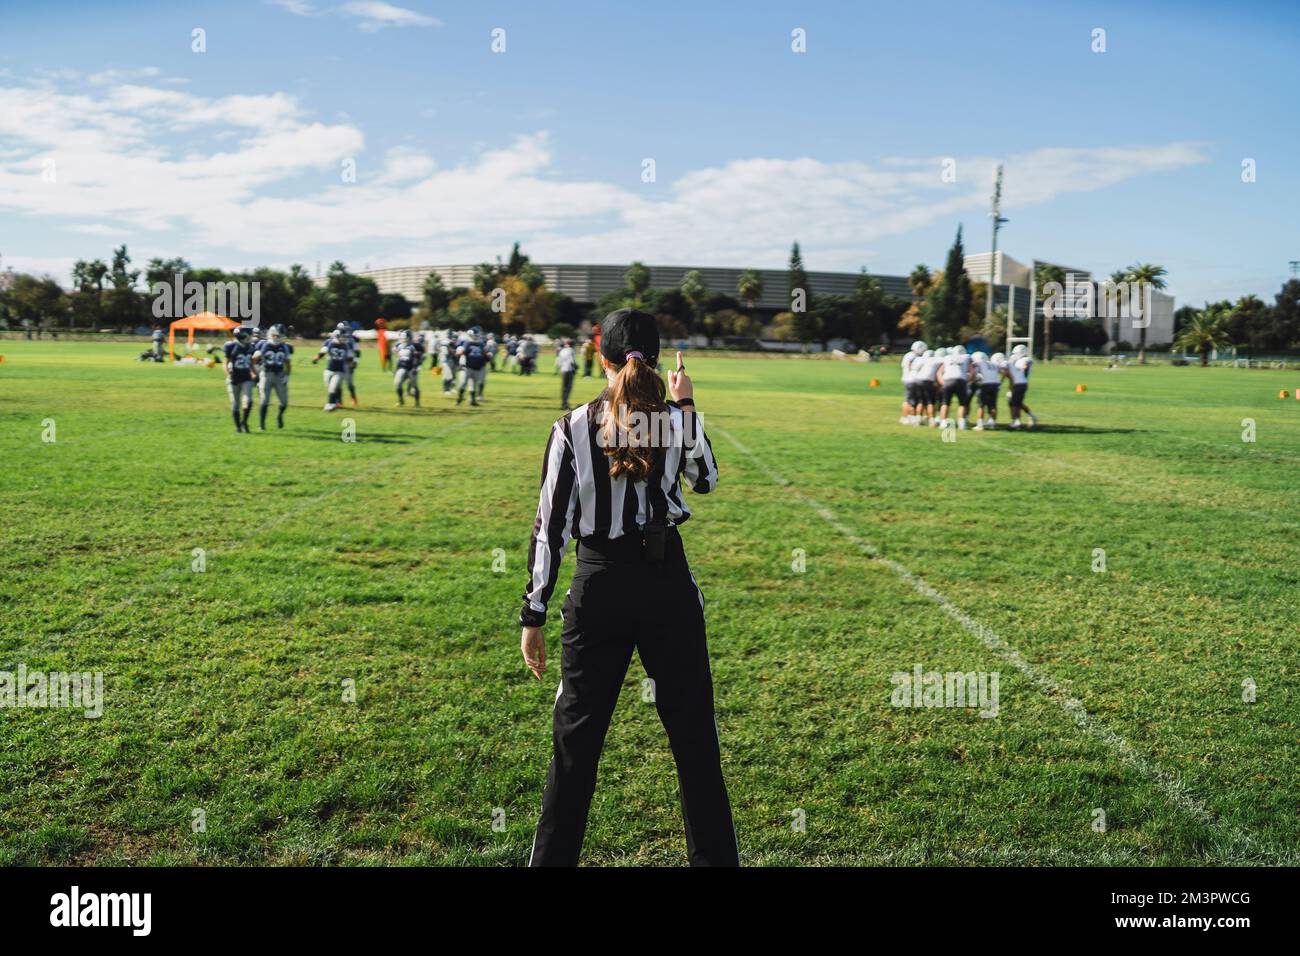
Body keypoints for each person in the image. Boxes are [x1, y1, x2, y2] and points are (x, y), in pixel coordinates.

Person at [519, 308, 738, 867]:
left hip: (599, 586)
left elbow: (552, 526)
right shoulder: (671, 420)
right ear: (661, 361)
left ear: (601, 357)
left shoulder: (571, 426)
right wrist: (685, 404)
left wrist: (534, 611)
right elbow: (706, 480)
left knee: (576, 743)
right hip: (666, 584)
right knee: (694, 739)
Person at [253, 323, 293, 430]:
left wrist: (287, 375)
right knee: (264, 400)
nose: (277, 337)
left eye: (279, 335)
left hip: (280, 375)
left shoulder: (284, 346)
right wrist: (257, 372)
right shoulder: (262, 344)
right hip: (266, 374)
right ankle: (261, 425)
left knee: (284, 403)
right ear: (271, 334)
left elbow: (288, 363)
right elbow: (254, 360)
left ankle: (279, 415)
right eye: (276, 335)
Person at [223, 327, 257, 432]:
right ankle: (238, 427)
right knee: (235, 404)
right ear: (242, 336)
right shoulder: (231, 346)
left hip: (246, 377)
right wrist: (228, 374)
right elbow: (225, 363)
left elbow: (250, 363)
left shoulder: (250, 347)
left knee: (249, 400)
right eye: (249, 334)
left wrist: (254, 373)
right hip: (234, 377)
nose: (251, 337)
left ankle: (244, 422)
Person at [311, 329, 353, 411]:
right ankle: (334, 403)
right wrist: (316, 359)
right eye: (342, 336)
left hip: (339, 371)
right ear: (337, 336)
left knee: (332, 388)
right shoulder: (330, 343)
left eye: (345, 336)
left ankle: (329, 404)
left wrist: (351, 365)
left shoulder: (346, 346)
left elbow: (350, 359)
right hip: (329, 370)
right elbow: (321, 354)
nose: (344, 338)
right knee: (329, 388)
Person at [936, 345, 974, 430]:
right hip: (960, 380)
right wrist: (967, 380)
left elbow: (939, 372)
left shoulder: (947, 357)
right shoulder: (966, 357)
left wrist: (943, 382)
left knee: (945, 403)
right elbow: (972, 371)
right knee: (962, 403)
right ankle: (962, 424)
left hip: (947, 381)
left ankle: (943, 423)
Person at [455, 328, 489, 406]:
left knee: (473, 385)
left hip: (477, 367)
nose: (476, 337)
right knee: (463, 383)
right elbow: (461, 354)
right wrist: (459, 364)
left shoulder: (481, 344)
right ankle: (459, 400)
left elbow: (485, 356)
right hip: (467, 367)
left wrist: (487, 357)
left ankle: (472, 401)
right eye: (475, 335)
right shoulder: (466, 343)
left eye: (477, 335)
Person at [1006, 344, 1037, 429]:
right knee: (1016, 403)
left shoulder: (1025, 359)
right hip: (1017, 383)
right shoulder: (1017, 361)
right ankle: (1028, 417)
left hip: (1021, 384)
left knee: (1015, 403)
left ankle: (1017, 422)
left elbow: (1026, 366)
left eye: (1016, 353)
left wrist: (1023, 369)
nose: (1014, 355)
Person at [972, 351, 1002, 430]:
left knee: (981, 405)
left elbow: (972, 368)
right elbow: (1000, 371)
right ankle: (992, 423)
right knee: (993, 405)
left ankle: (980, 424)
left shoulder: (978, 362)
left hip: (985, 384)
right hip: (995, 384)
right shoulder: (993, 363)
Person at [392, 330, 423, 407]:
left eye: (405, 338)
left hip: (411, 368)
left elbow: (417, 358)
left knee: (414, 386)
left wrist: (415, 367)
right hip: (402, 367)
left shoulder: (414, 346)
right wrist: (396, 368)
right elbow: (398, 356)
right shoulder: (398, 345)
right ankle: (401, 400)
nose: (404, 339)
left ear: (409, 338)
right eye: (403, 337)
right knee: (397, 383)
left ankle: (417, 403)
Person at [899, 339, 925, 425]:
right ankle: (908, 418)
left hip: (906, 379)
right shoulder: (913, 356)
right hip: (912, 380)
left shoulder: (908, 355)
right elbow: (911, 366)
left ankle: (907, 417)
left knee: (909, 399)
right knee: (912, 400)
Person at [555, 337, 577, 410]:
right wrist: (576, 367)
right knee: (568, 388)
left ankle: (563, 404)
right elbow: (572, 361)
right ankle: (565, 405)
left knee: (564, 388)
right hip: (569, 370)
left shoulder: (562, 350)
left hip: (563, 370)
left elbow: (558, 362)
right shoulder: (571, 350)